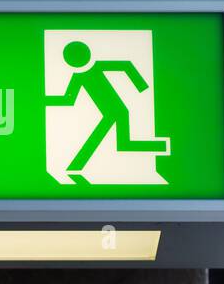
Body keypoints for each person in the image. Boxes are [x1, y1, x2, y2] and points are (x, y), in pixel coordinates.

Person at [46, 40, 167, 181]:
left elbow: (125, 65)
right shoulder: (78, 76)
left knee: (114, 137)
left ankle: (77, 165)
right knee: (111, 137)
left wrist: (140, 85)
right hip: (112, 110)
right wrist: (46, 100)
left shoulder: (95, 67)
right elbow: (68, 99)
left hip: (117, 109)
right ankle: (76, 165)